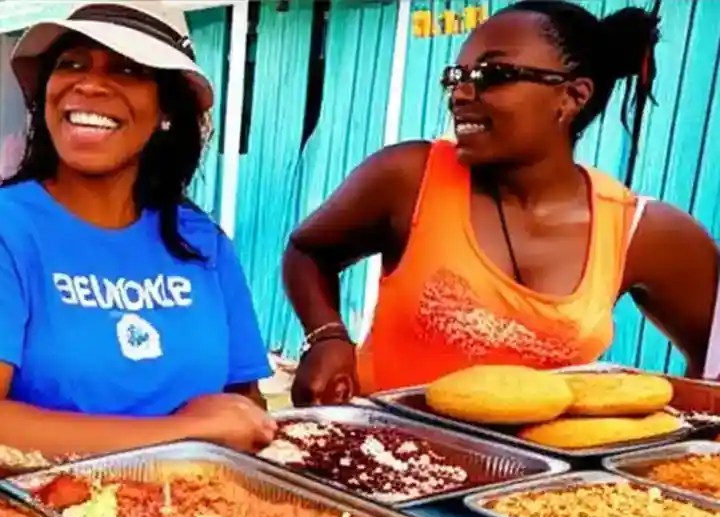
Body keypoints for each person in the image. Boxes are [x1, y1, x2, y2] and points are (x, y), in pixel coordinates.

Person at [284, 0, 719, 404]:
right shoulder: (409, 178)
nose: (460, 94)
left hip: (538, 484)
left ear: (572, 96)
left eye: (492, 76)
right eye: (456, 77)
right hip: (384, 465)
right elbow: (308, 251)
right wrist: (327, 337)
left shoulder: (641, 232)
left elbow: (713, 358)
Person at [0, 1, 276, 472]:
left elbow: (245, 410)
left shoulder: (203, 243)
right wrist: (183, 435)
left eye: (127, 69)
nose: (89, 83)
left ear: (166, 109)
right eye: (71, 63)